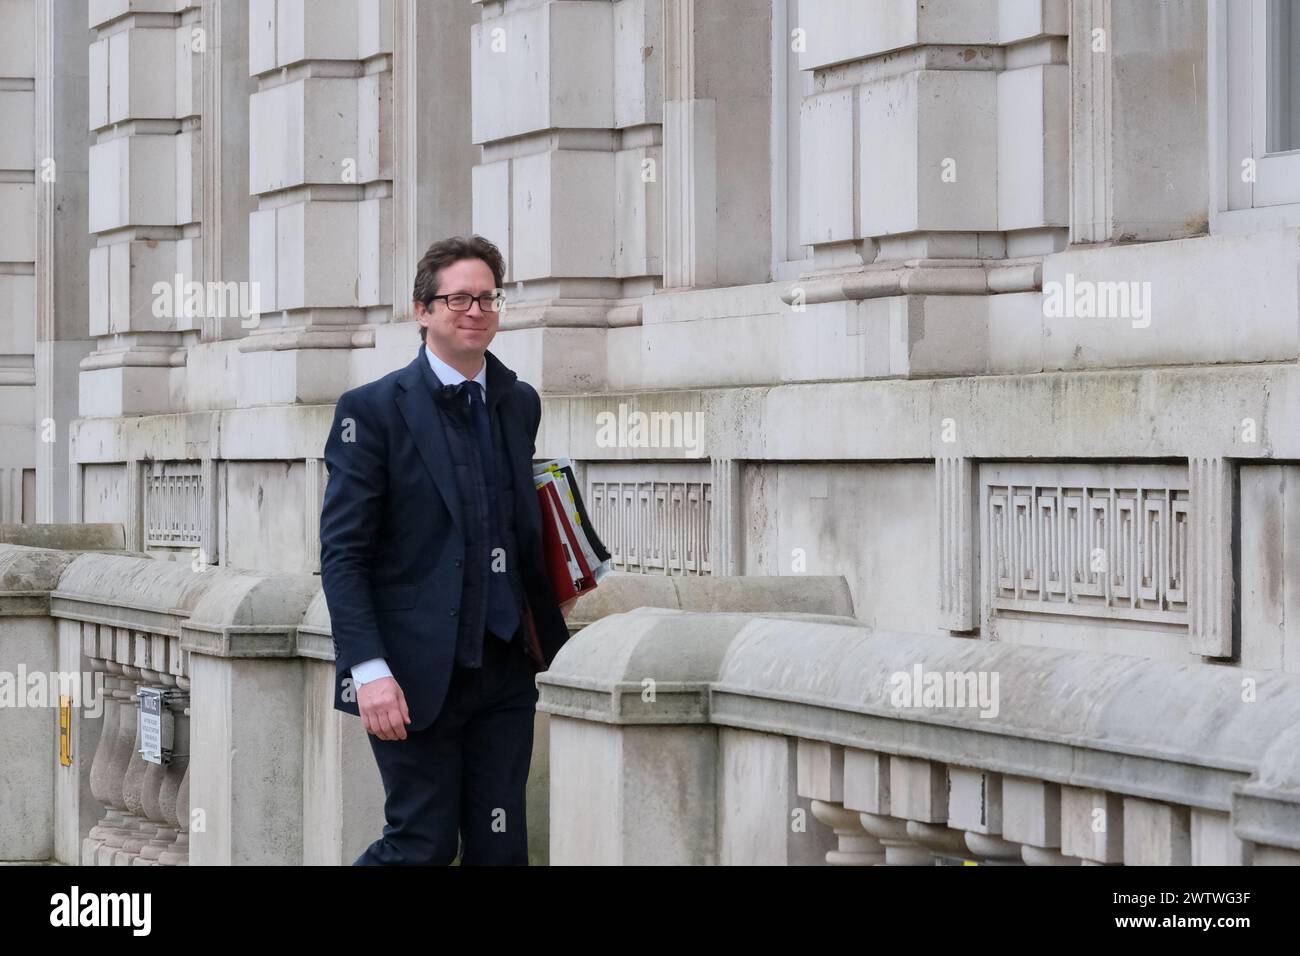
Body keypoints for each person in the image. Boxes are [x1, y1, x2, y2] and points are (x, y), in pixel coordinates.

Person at [320, 234, 575, 865]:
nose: (475, 311)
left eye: (488, 298)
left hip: (506, 669)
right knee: (420, 845)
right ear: (423, 310)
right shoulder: (371, 411)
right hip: (411, 674)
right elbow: (343, 554)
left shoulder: (518, 402)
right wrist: (369, 670)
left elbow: (514, 526)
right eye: (458, 298)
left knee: (500, 848)